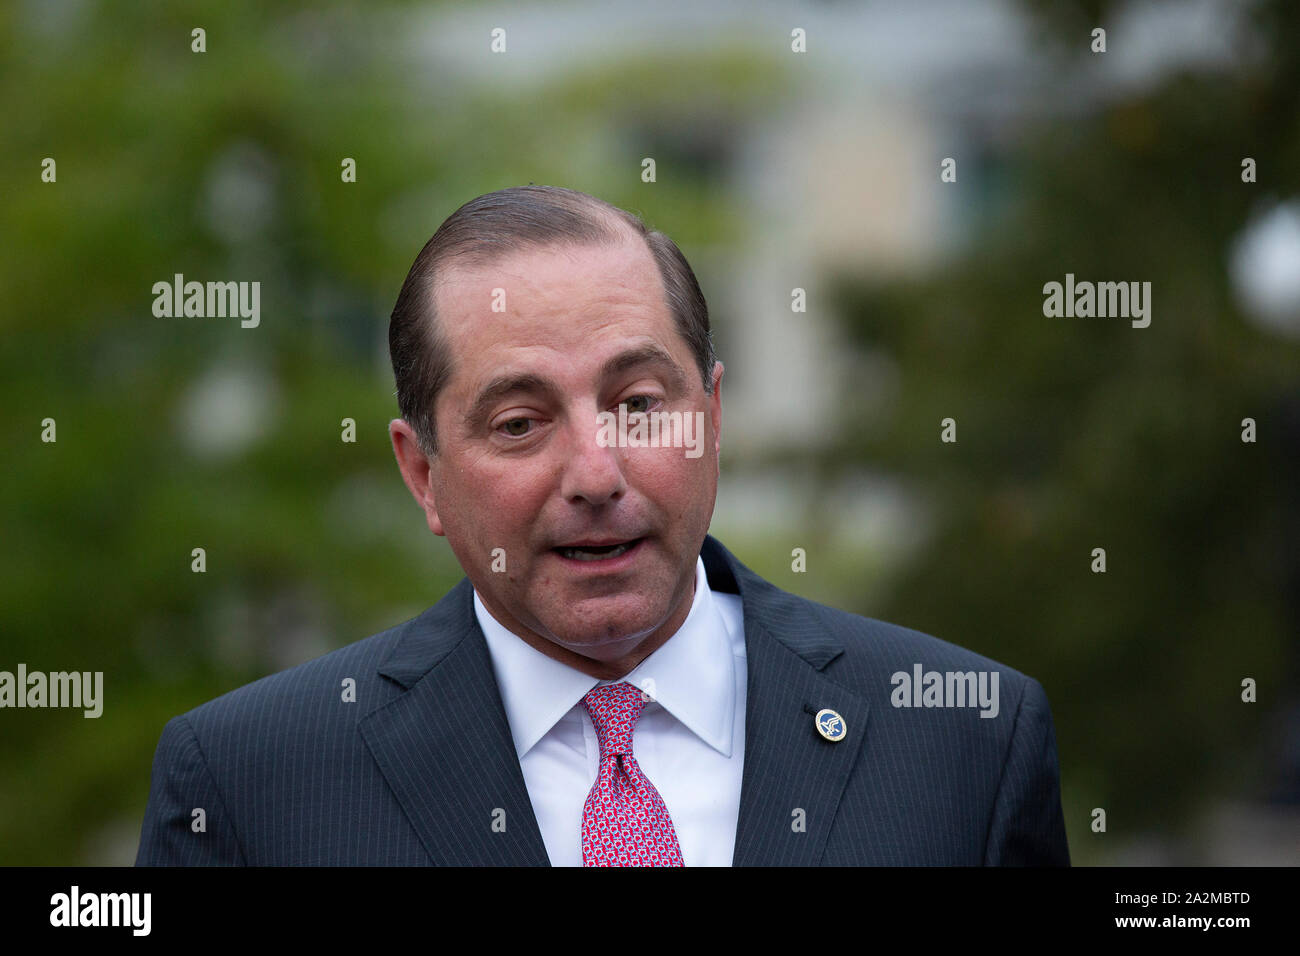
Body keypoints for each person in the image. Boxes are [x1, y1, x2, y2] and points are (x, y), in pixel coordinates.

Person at [136, 185, 1070, 866]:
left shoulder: (965, 742)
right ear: (423, 474)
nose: (596, 474)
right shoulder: (251, 785)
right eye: (519, 423)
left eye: (639, 404)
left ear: (711, 416)